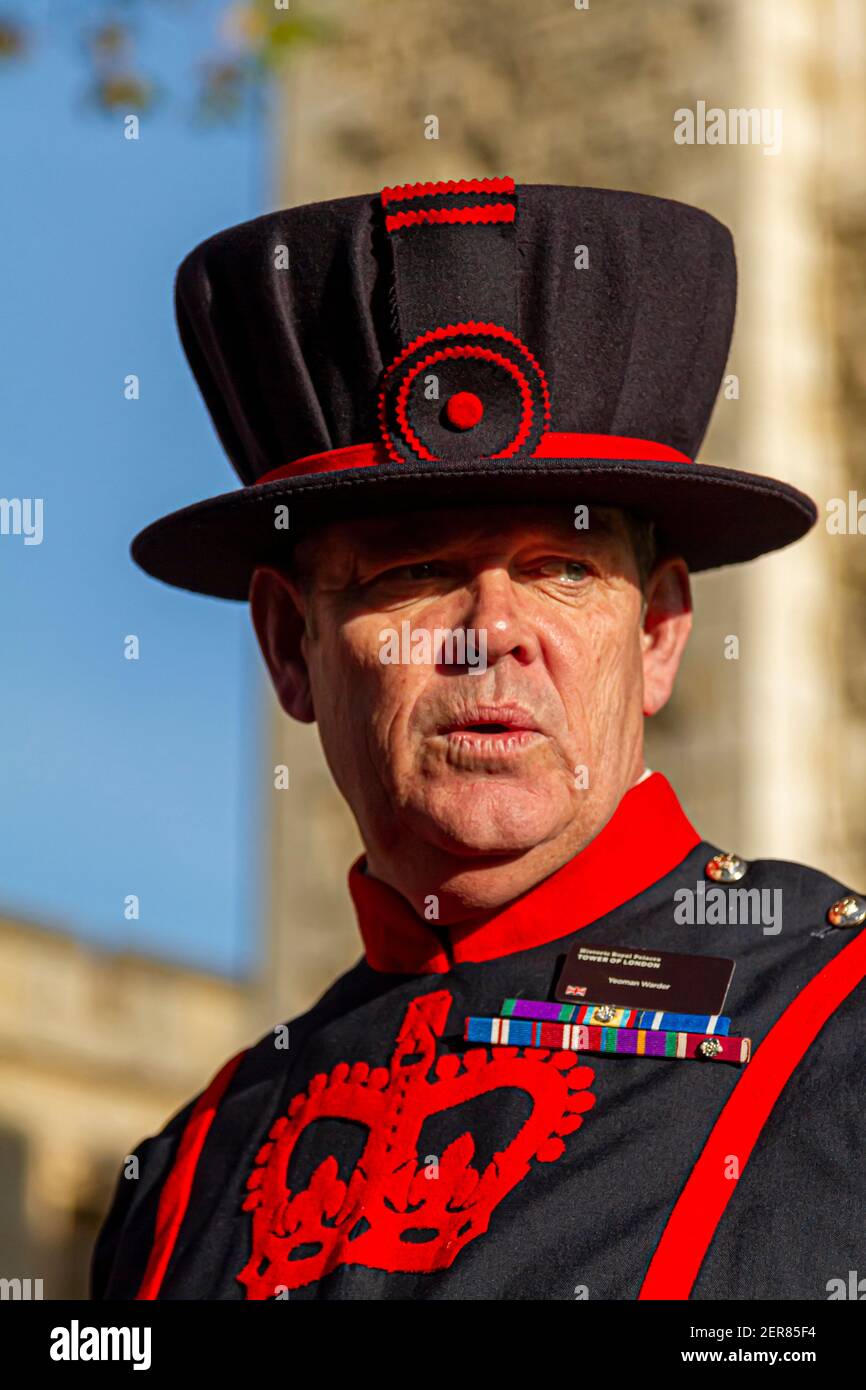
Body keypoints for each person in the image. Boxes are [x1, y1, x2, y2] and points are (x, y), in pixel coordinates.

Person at [92, 177, 866, 1301]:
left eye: (561, 569)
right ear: (290, 647)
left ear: (655, 632)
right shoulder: (185, 1181)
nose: (491, 635)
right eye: (416, 572)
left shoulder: (838, 1029)